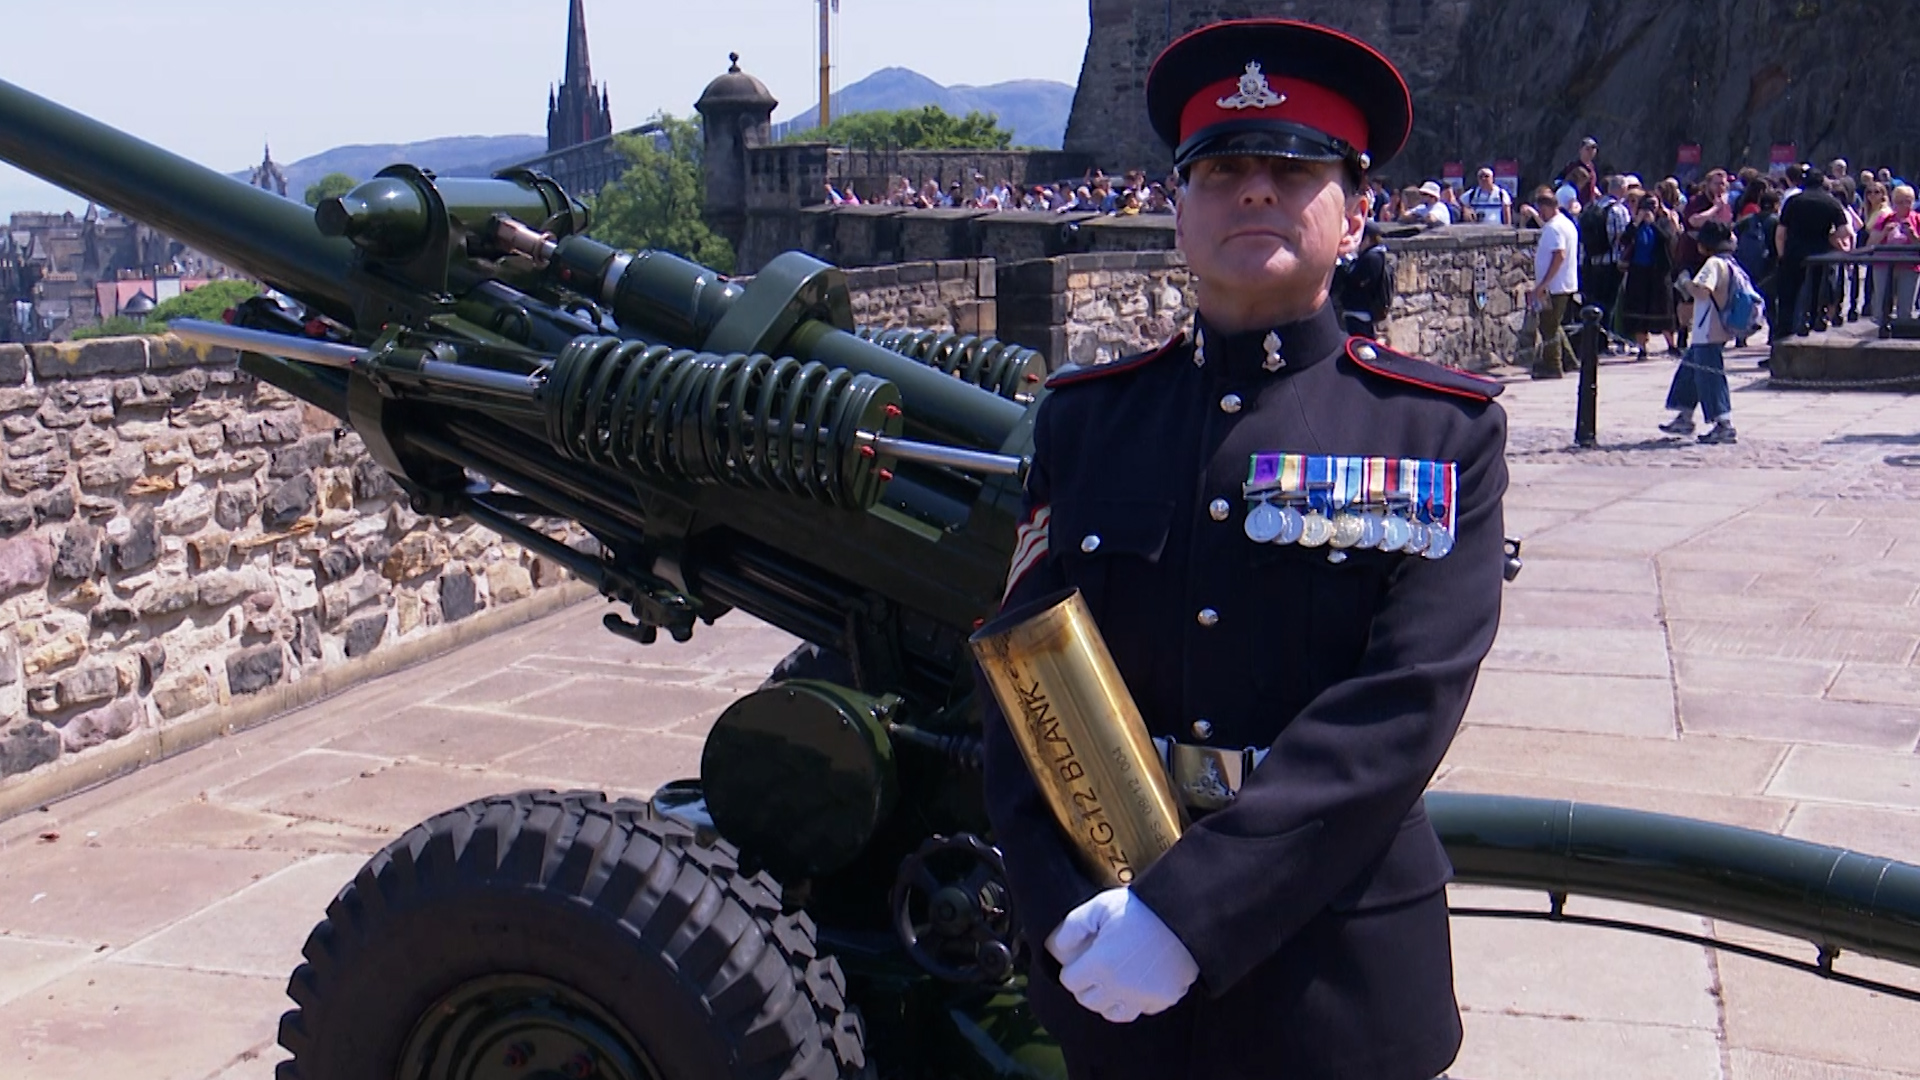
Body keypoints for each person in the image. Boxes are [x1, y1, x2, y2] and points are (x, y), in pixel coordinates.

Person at [978, 19, 1507, 1080]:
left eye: (1292, 167)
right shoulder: (1088, 419)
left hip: (1340, 978)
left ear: (1356, 214)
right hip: (1111, 957)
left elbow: (1403, 707)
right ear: (1176, 207)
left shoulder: (1437, 431)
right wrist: (1061, 910)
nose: (1254, 191)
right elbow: (1023, 674)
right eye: (1221, 168)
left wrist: (1189, 916)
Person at [1661, 220, 1740, 443]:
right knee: (1689, 373)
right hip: (1711, 328)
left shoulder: (1713, 264)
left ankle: (1723, 423)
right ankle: (1684, 415)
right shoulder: (1729, 262)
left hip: (1709, 328)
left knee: (1710, 377)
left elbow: (1703, 291)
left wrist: (1685, 282)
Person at [1774, 174, 1853, 335]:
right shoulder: (1831, 202)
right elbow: (1845, 231)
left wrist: (1781, 255)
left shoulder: (1794, 201)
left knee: (1788, 298)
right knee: (1815, 294)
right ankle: (1810, 325)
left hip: (1793, 253)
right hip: (1819, 255)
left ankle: (1783, 336)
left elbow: (1781, 232)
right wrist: (1828, 238)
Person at [1616, 193, 1679, 359]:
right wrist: (1637, 222)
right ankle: (1642, 347)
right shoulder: (1636, 224)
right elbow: (1624, 240)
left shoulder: (1663, 222)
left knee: (1663, 308)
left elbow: (1668, 239)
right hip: (1639, 271)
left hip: (1659, 272)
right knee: (1638, 309)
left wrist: (1653, 224)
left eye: (1653, 204)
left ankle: (1672, 344)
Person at [1334, 221, 1393, 337]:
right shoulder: (1374, 256)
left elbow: (1355, 281)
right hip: (1360, 312)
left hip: (1360, 312)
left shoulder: (1372, 258)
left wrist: (1342, 266)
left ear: (1367, 238)